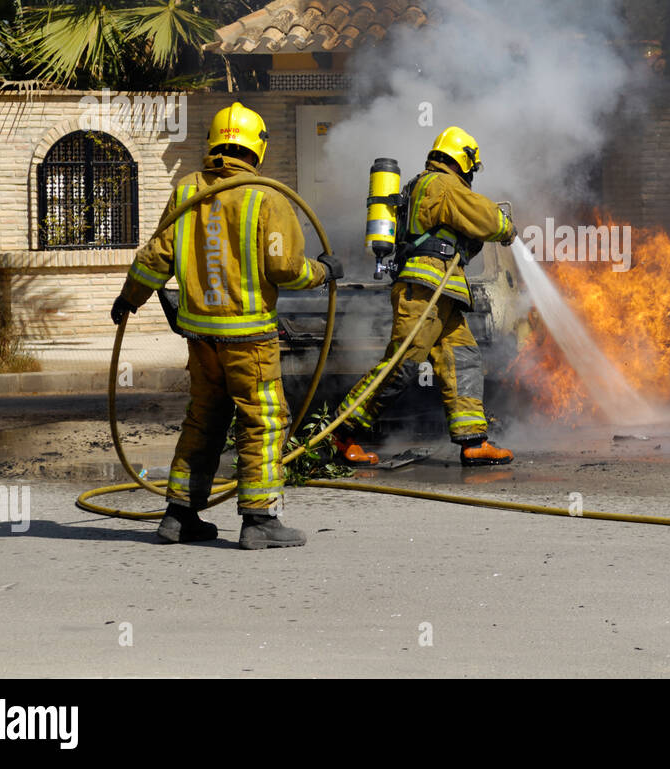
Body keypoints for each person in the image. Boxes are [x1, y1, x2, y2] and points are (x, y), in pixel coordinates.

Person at [111, 102, 343, 549]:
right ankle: (260, 519)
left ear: (214, 142)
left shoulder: (186, 192)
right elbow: (286, 269)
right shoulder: (267, 196)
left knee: (204, 419)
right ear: (257, 147)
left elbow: (156, 257)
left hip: (200, 336)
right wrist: (324, 272)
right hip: (249, 338)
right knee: (264, 421)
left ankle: (179, 516)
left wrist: (129, 299)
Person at [332, 126, 517, 466]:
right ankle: (342, 435)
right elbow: (485, 217)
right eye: (471, 168)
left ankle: (473, 442)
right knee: (402, 364)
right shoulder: (442, 184)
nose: (470, 175)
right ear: (463, 161)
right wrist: (505, 227)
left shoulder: (429, 184)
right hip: (424, 291)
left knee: (463, 361)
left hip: (441, 295)